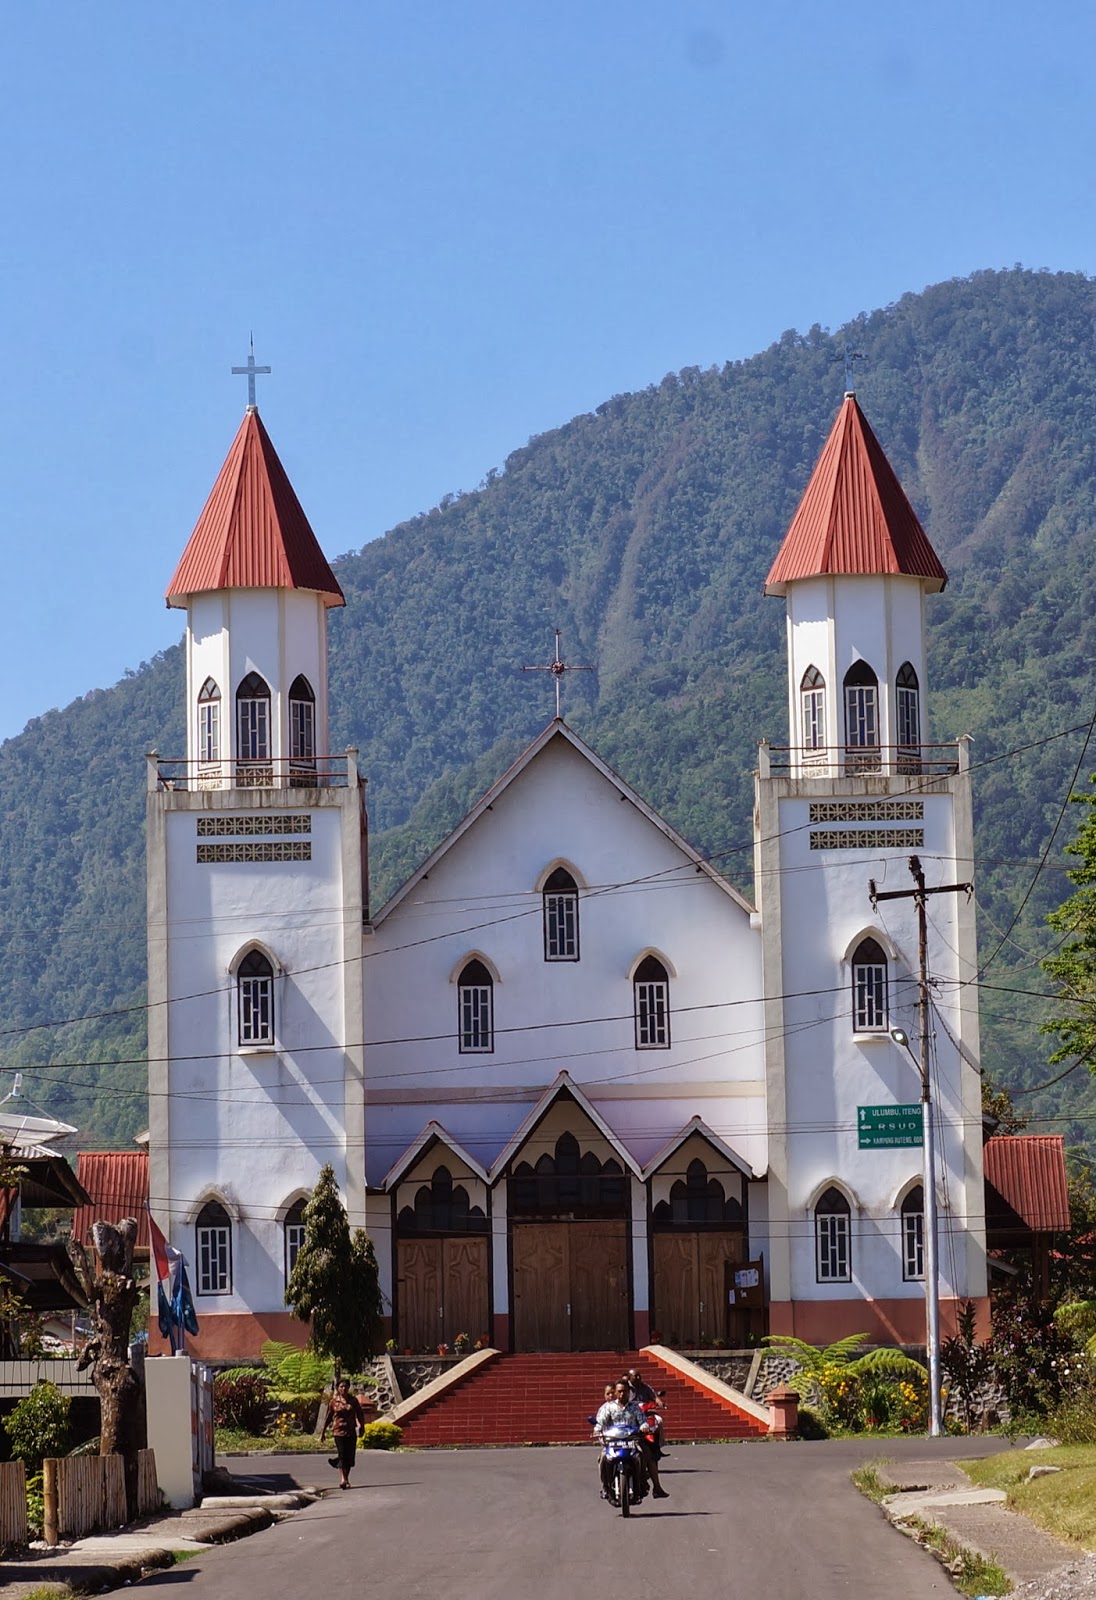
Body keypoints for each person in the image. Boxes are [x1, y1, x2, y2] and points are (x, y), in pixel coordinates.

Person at [594, 1379, 668, 1499]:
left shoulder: (635, 1408)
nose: (622, 1394)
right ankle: (606, 1487)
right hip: (613, 1442)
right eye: (619, 1391)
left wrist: (644, 1427)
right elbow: (600, 1422)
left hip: (633, 1441)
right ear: (616, 1393)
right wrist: (597, 1429)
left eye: (625, 1391)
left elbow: (642, 1421)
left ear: (629, 1392)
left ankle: (643, 1481)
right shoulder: (608, 1407)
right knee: (602, 1458)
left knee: (645, 1455)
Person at [320, 1376, 365, 1490]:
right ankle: (343, 1479)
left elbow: (359, 1414)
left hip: (351, 1431)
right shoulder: (334, 1402)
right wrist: (323, 1432)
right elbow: (329, 1417)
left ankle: (346, 1477)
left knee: (349, 1457)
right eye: (341, 1386)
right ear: (337, 1388)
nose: (344, 1388)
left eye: (346, 1386)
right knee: (342, 1454)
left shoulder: (353, 1401)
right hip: (338, 1432)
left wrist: (362, 1427)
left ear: (349, 1387)